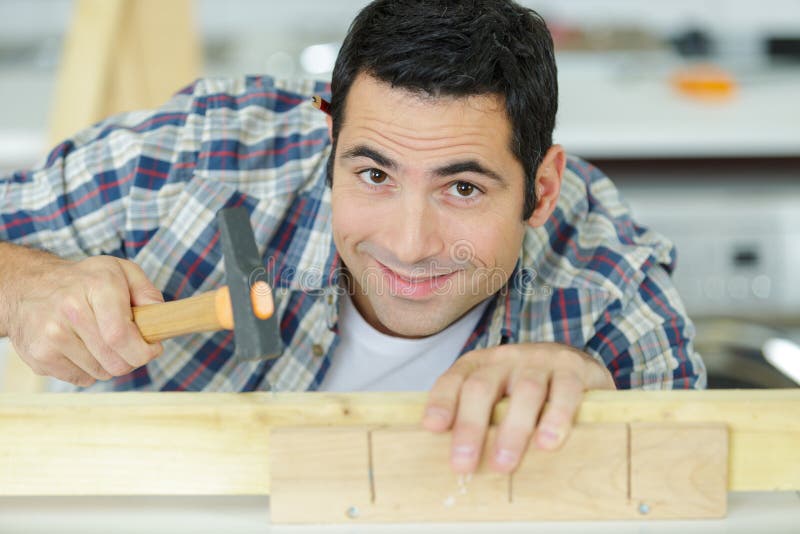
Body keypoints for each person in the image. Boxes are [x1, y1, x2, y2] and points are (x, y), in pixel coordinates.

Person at [0, 0, 705, 474]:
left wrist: (605, 399)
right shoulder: (201, 156)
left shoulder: (604, 282)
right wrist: (29, 286)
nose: (408, 243)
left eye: (462, 188)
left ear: (541, 190)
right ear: (328, 136)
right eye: (373, 174)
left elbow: (692, 473)